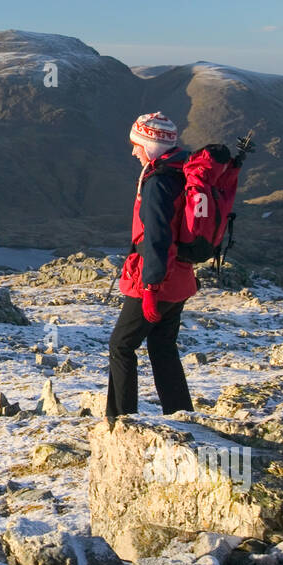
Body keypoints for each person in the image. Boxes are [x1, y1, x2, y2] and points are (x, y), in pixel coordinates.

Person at [106, 112, 196, 422]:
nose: (133, 151)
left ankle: (121, 421)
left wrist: (150, 287)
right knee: (162, 346)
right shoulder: (181, 171)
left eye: (136, 144)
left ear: (150, 144)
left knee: (121, 345)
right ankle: (182, 415)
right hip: (180, 278)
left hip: (155, 278)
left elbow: (157, 237)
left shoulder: (159, 181)